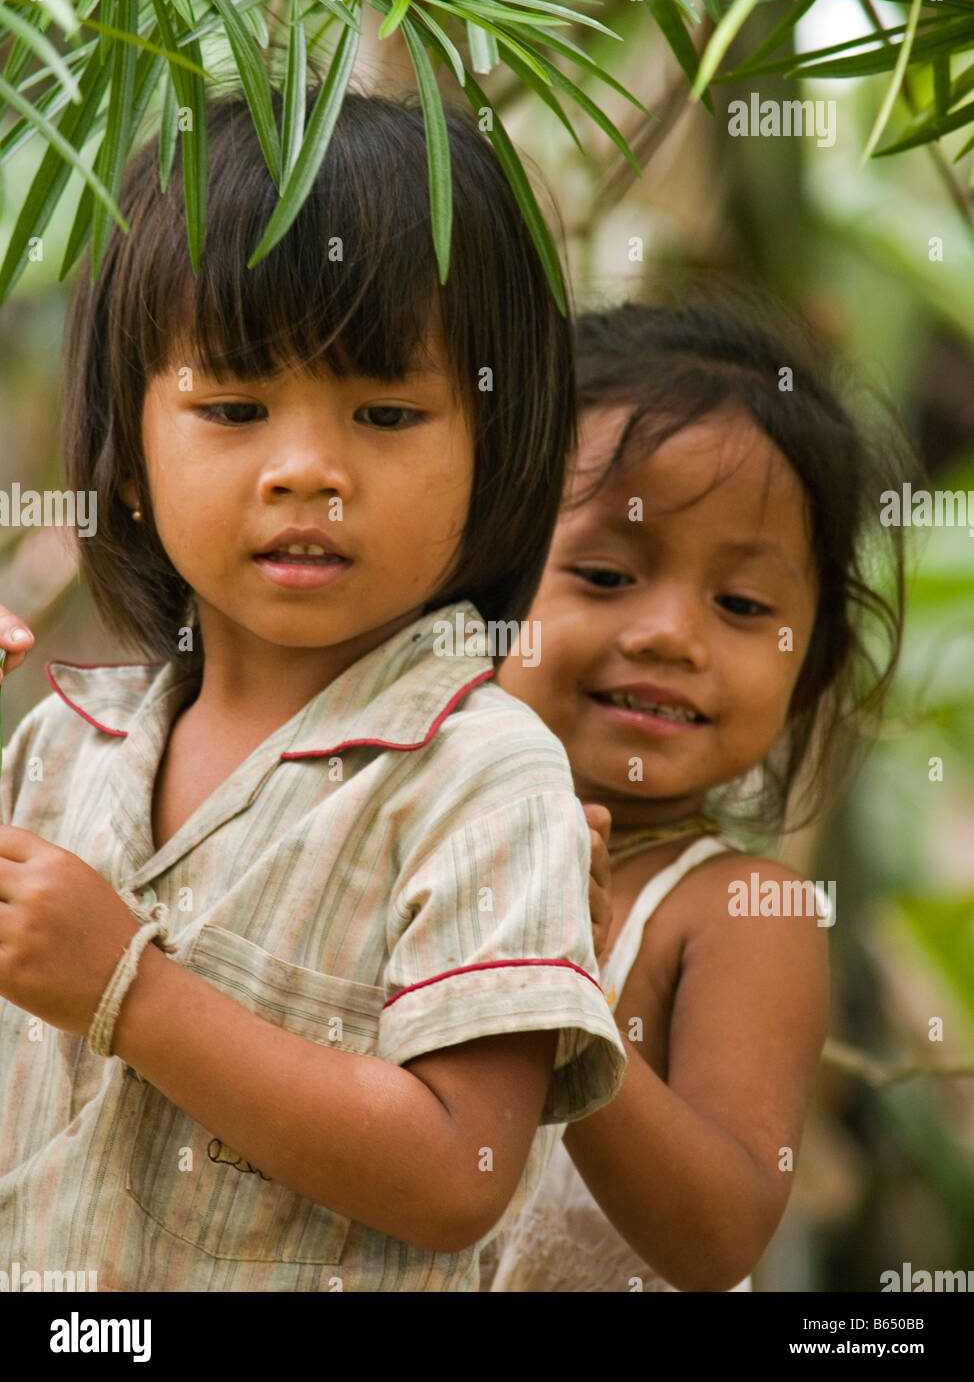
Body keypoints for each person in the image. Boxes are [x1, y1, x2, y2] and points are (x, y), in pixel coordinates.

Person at [0, 86, 626, 1292]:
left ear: (495, 451)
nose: (306, 472)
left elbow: (463, 1164)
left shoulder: (477, 774)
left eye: (386, 413)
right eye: (231, 409)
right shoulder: (59, 750)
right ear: (125, 458)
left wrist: (131, 988)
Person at [482, 291, 913, 1291]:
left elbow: (717, 1233)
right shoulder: (402, 815)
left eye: (740, 604)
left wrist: (561, 993)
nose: (671, 633)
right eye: (601, 572)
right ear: (485, 581)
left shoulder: (738, 915)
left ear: (809, 664)